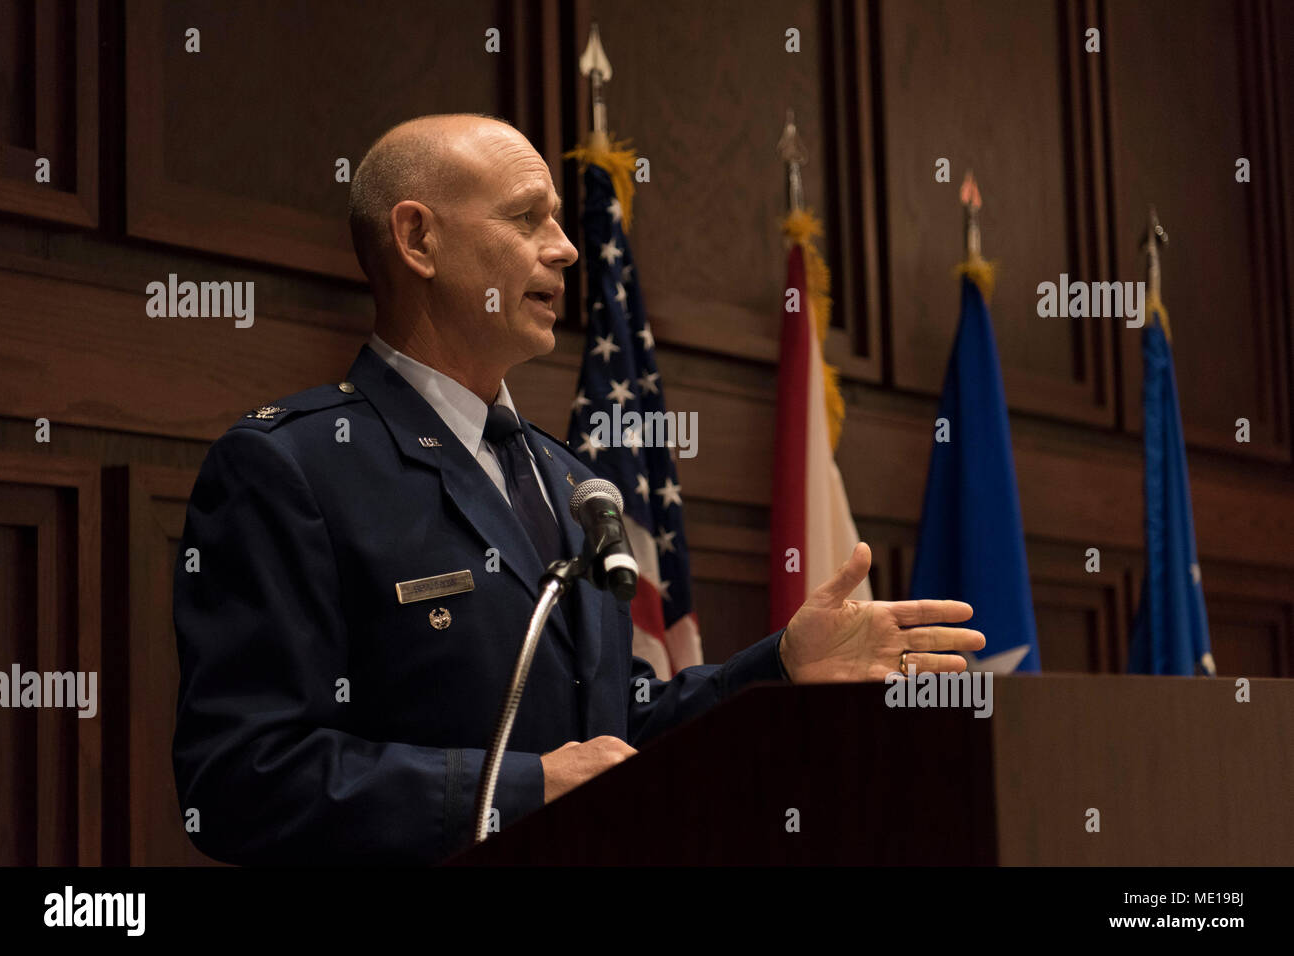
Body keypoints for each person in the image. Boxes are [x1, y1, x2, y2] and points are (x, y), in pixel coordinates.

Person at [171, 114, 984, 865]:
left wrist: (775, 665)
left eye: (559, 220)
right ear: (418, 238)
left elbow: (615, 728)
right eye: (527, 219)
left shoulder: (571, 480)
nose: (563, 248)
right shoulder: (292, 468)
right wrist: (526, 791)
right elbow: (241, 776)